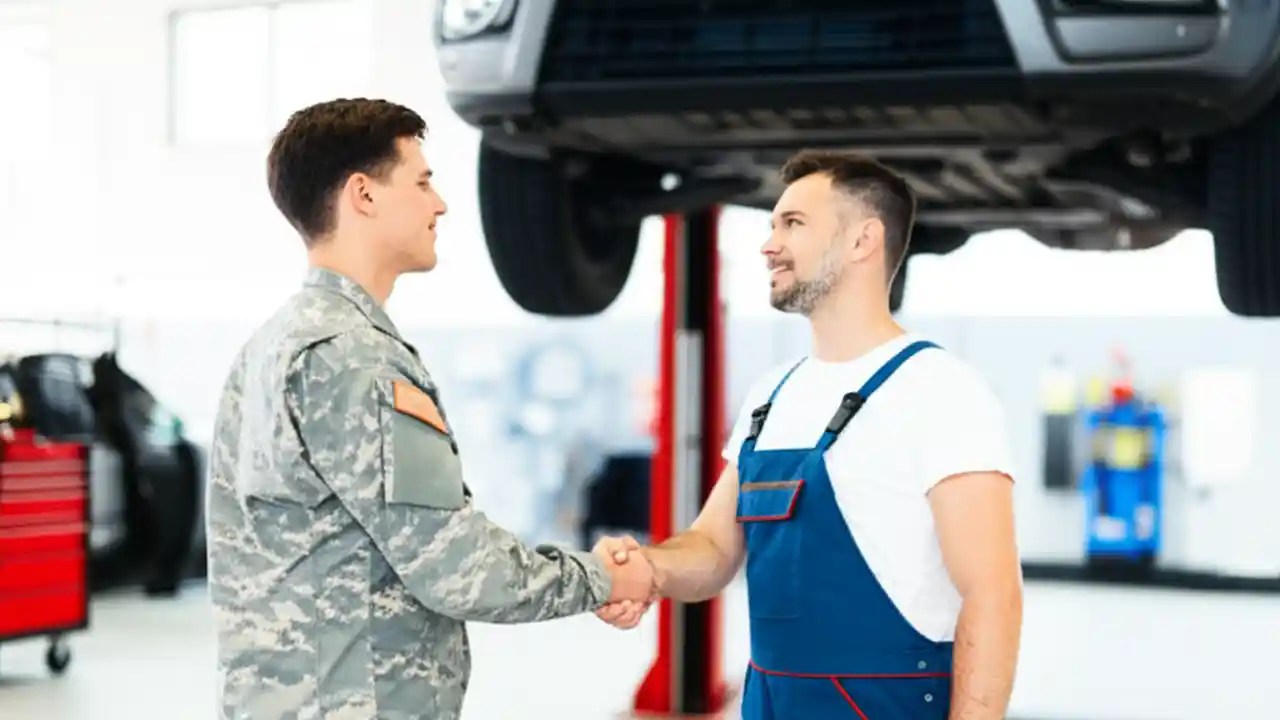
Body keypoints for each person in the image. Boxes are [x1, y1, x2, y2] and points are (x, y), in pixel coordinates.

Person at [205, 98, 655, 720]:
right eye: (421, 181)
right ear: (363, 194)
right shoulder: (351, 357)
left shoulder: (272, 345)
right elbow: (454, 564)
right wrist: (605, 578)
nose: (439, 203)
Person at [596, 151, 1023, 719]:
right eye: (772, 224)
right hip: (772, 703)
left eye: (792, 224)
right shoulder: (771, 397)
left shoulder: (939, 390)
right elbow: (716, 548)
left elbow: (993, 594)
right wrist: (648, 569)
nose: (768, 244)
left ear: (862, 241)